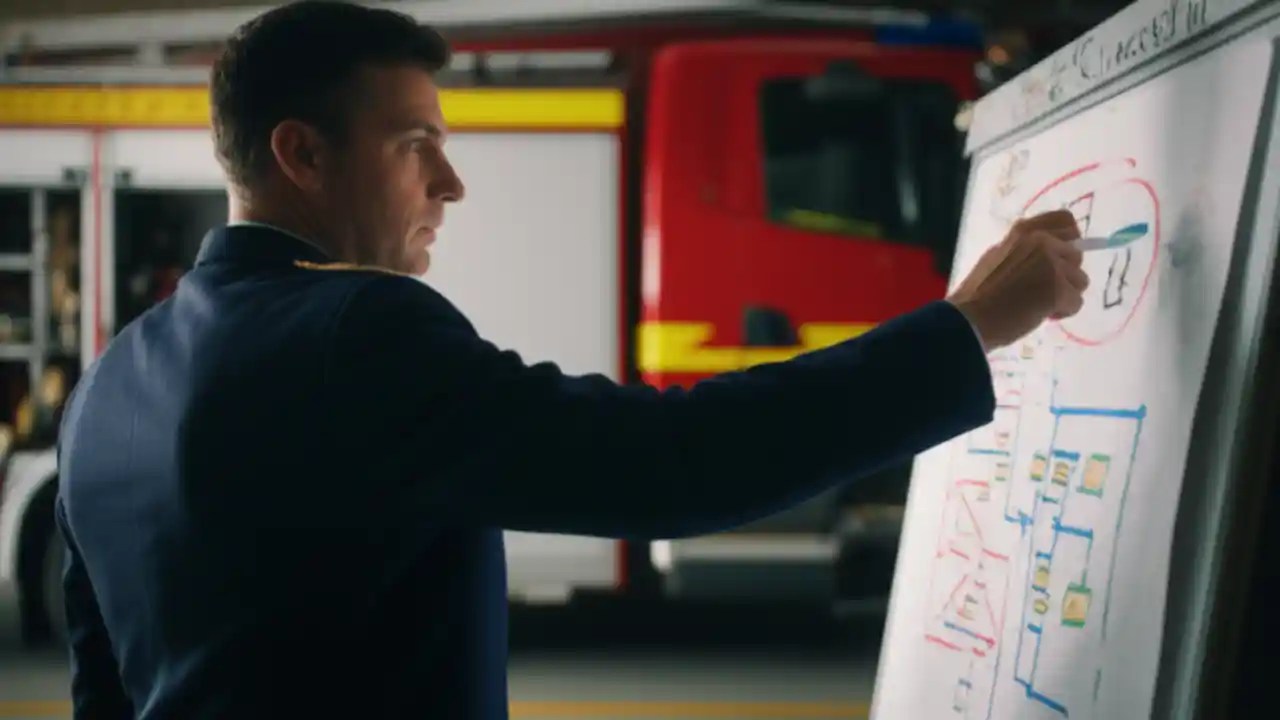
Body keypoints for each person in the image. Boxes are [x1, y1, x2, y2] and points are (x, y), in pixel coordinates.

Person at [53, 2, 1088, 718]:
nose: (450, 182)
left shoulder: (104, 389)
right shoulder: (357, 331)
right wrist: (963, 330)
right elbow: (671, 461)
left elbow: (101, 697)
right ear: (302, 154)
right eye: (414, 144)